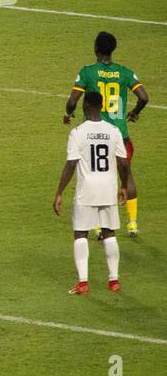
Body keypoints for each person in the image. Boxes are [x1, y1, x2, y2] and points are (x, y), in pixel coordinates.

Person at [65, 31, 147, 235]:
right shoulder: (125, 72)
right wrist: (135, 112)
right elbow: (144, 97)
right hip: (120, 134)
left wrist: (68, 114)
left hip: (94, 135)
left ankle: (97, 224)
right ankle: (132, 223)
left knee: (93, 175)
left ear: (95, 48)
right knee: (126, 176)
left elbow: (73, 101)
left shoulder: (88, 72)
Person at [54, 90, 135, 294]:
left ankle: (83, 283)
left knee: (81, 232)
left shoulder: (78, 132)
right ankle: (114, 280)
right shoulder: (114, 131)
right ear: (101, 107)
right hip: (108, 188)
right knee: (109, 232)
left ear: (85, 106)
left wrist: (59, 192)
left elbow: (71, 164)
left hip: (86, 189)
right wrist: (124, 186)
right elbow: (123, 163)